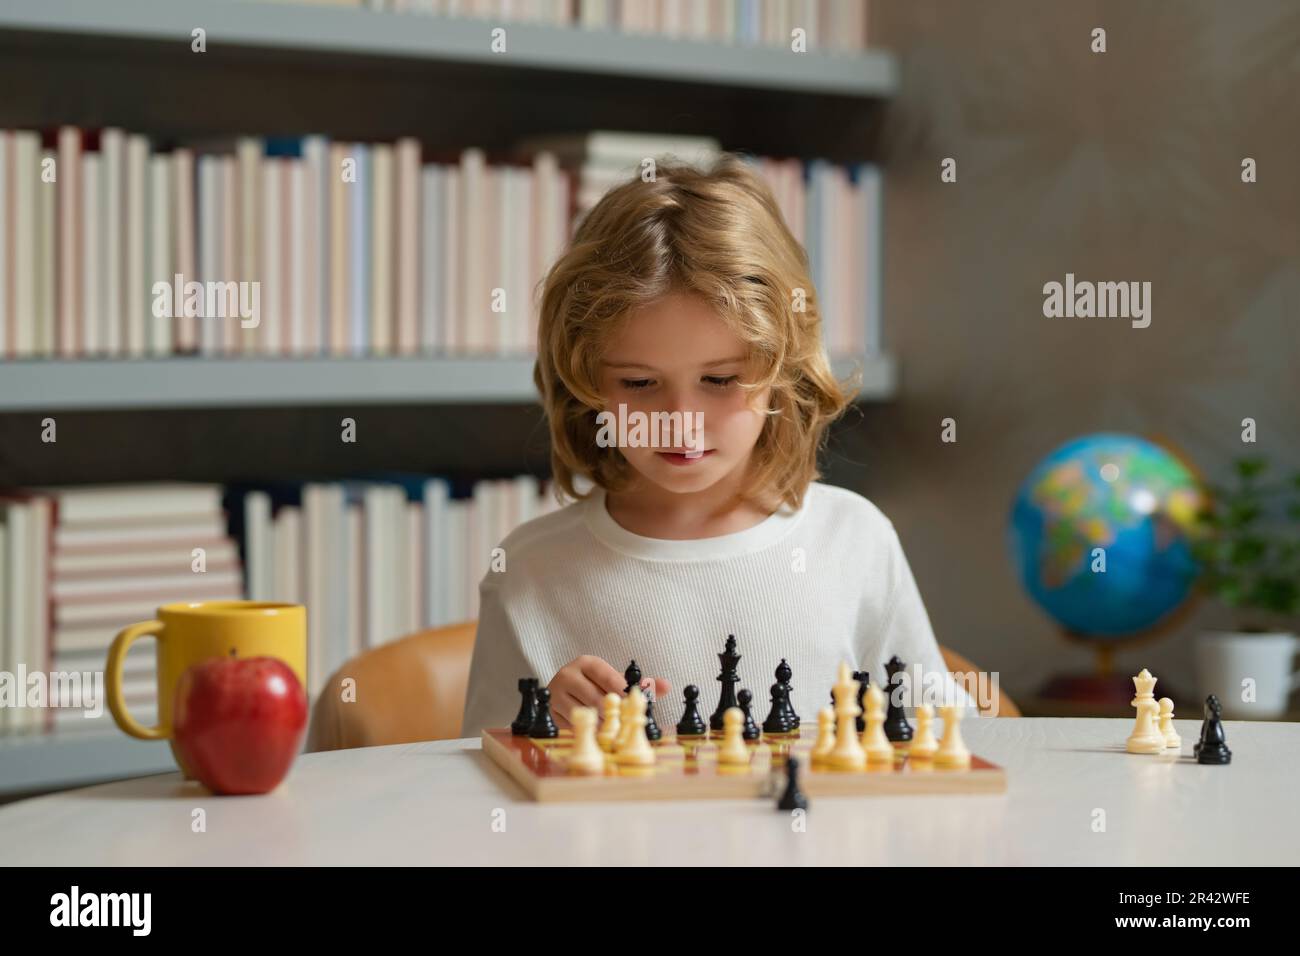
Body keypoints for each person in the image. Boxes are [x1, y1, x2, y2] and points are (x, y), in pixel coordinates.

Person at [461, 154, 962, 735]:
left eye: (721, 380)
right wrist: (545, 723)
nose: (681, 420)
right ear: (586, 380)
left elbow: (945, 739)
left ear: (784, 367)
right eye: (640, 383)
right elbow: (480, 784)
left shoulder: (856, 541)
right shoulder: (528, 571)